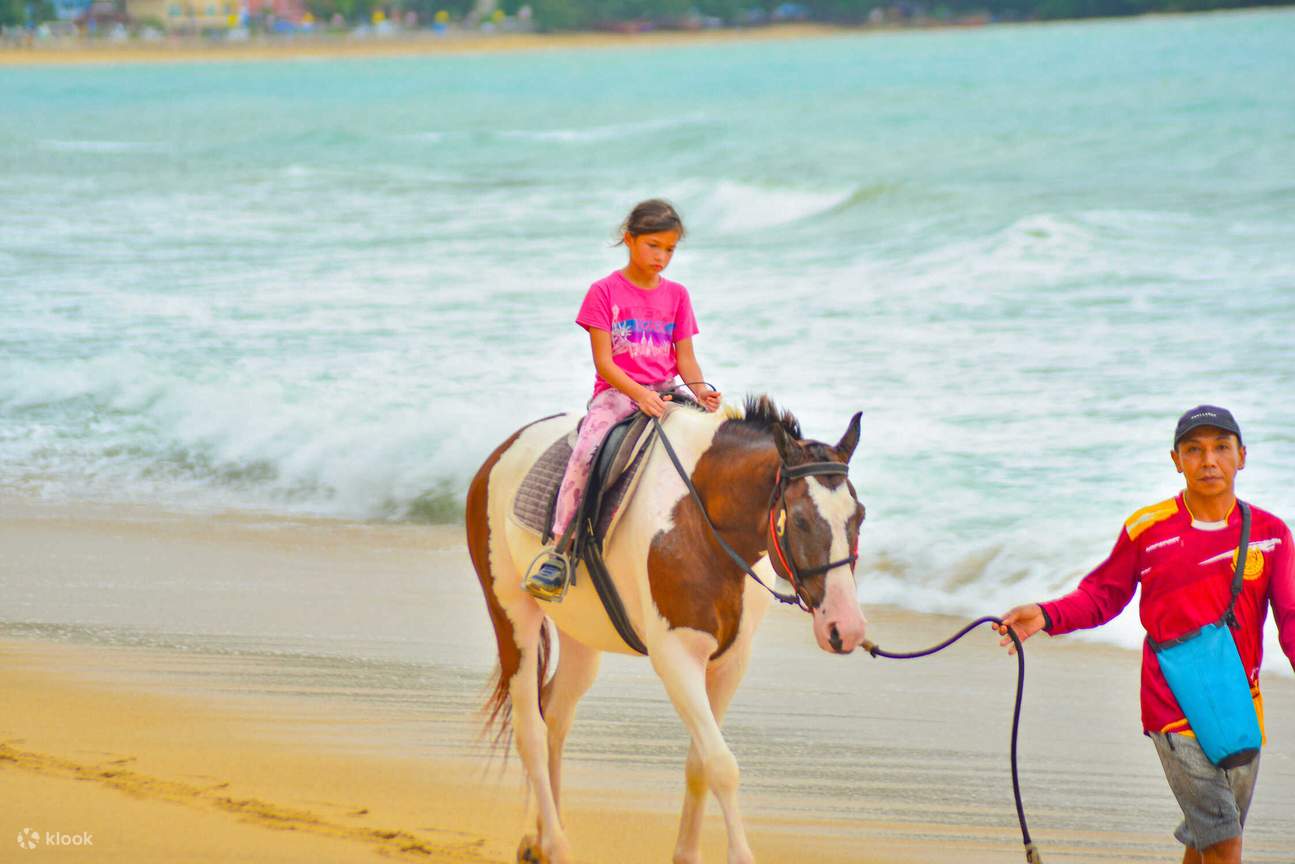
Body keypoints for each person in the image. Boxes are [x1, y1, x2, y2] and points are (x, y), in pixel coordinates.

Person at [996, 405, 1294, 864]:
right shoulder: (1147, 529)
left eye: (1220, 448)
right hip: (1171, 704)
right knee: (1225, 843)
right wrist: (1046, 614)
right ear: (1176, 460)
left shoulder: (1271, 535)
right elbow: (1102, 594)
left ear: (1242, 456)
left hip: (1239, 702)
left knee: (1209, 838)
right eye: (1193, 450)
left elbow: (1291, 616)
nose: (1208, 460)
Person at [524, 199, 723, 601]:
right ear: (629, 239)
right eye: (654, 246)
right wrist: (639, 394)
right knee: (586, 451)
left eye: (670, 249)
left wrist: (700, 389)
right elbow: (604, 362)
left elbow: (684, 357)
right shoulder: (604, 292)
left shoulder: (678, 295)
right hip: (618, 394)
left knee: (719, 439)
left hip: (666, 391)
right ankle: (559, 550)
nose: (662, 257)